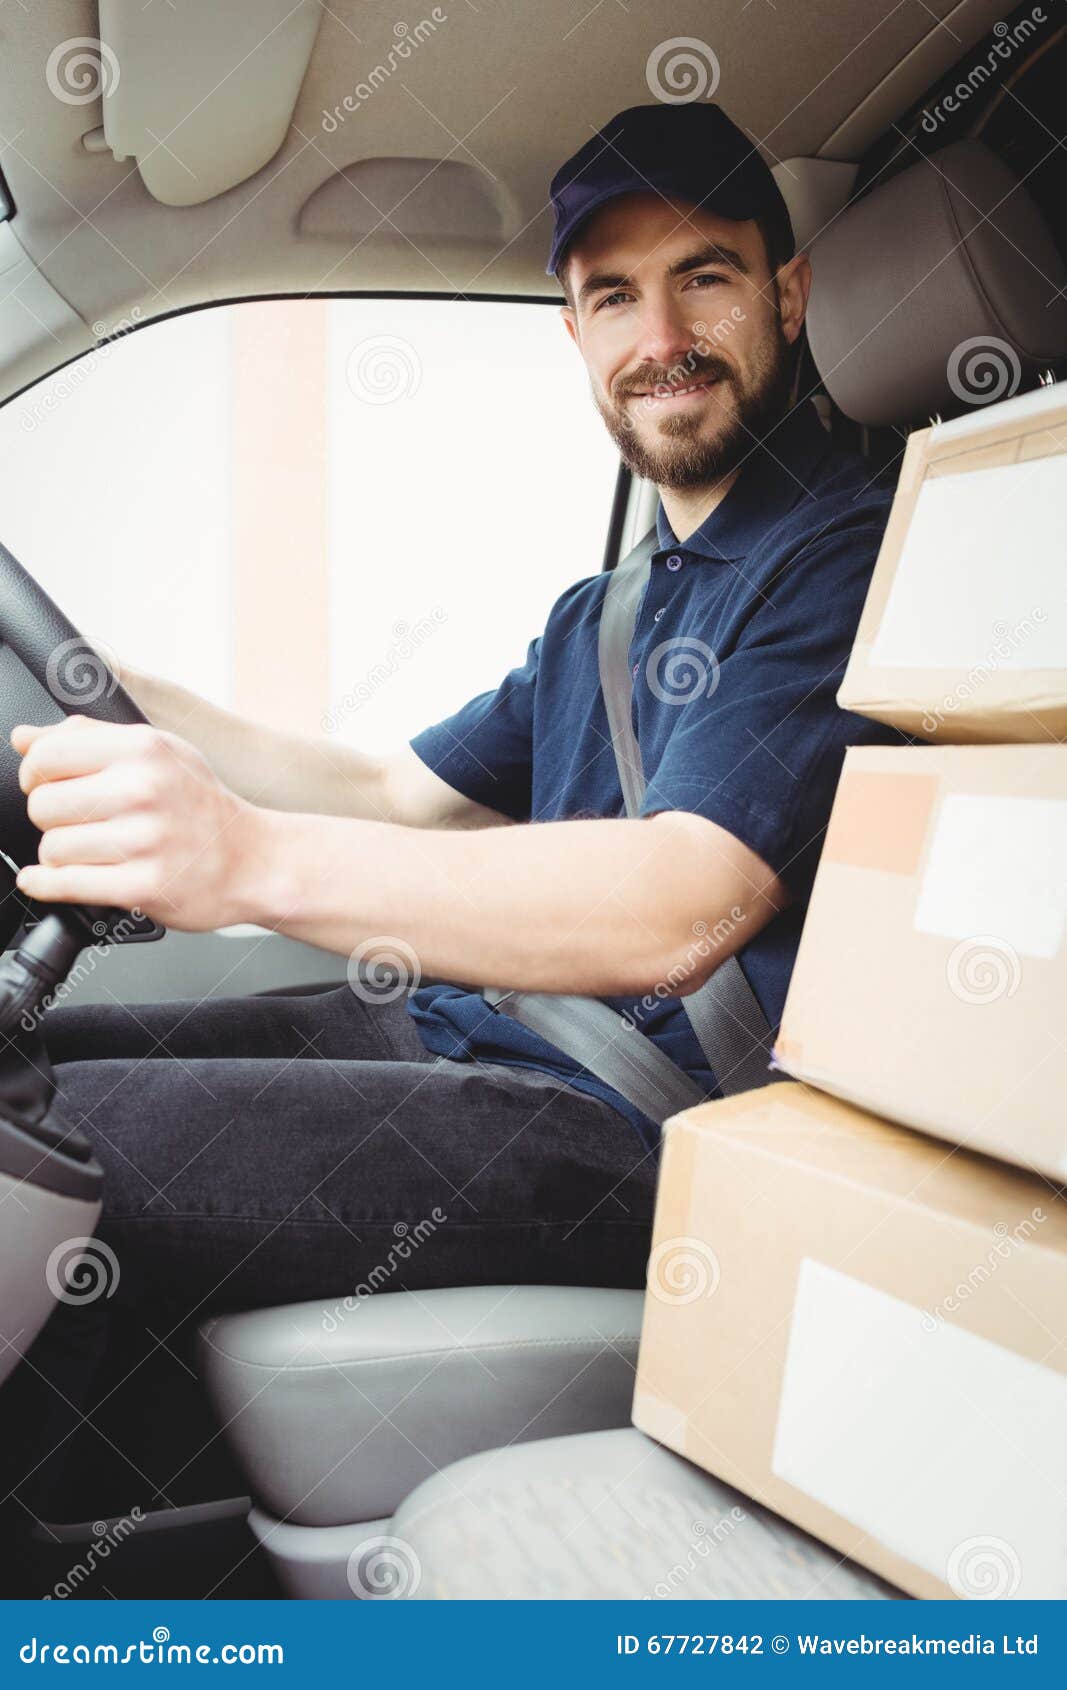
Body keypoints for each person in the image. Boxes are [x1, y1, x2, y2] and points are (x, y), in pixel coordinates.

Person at [0, 102, 904, 1547]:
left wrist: (242, 859)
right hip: (469, 1038)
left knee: (38, 1150)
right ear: (574, 328)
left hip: (630, 1124)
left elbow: (682, 901)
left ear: (787, 295)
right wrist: (86, 693)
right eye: (613, 294)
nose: (659, 331)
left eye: (706, 276)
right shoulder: (601, 614)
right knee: (34, 1061)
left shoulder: (851, 552)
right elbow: (381, 790)